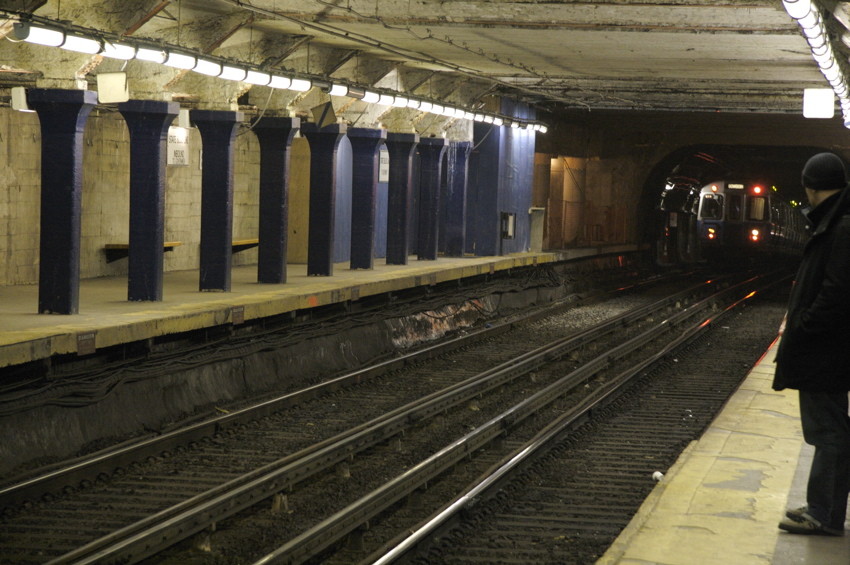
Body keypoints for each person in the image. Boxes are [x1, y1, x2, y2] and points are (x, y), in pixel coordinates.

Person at [774, 152, 850, 536]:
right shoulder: (838, 220)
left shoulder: (841, 226)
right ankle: (824, 508)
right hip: (829, 347)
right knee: (828, 427)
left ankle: (824, 512)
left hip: (826, 349)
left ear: (810, 185)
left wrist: (804, 325)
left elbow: (837, 292)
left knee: (829, 430)